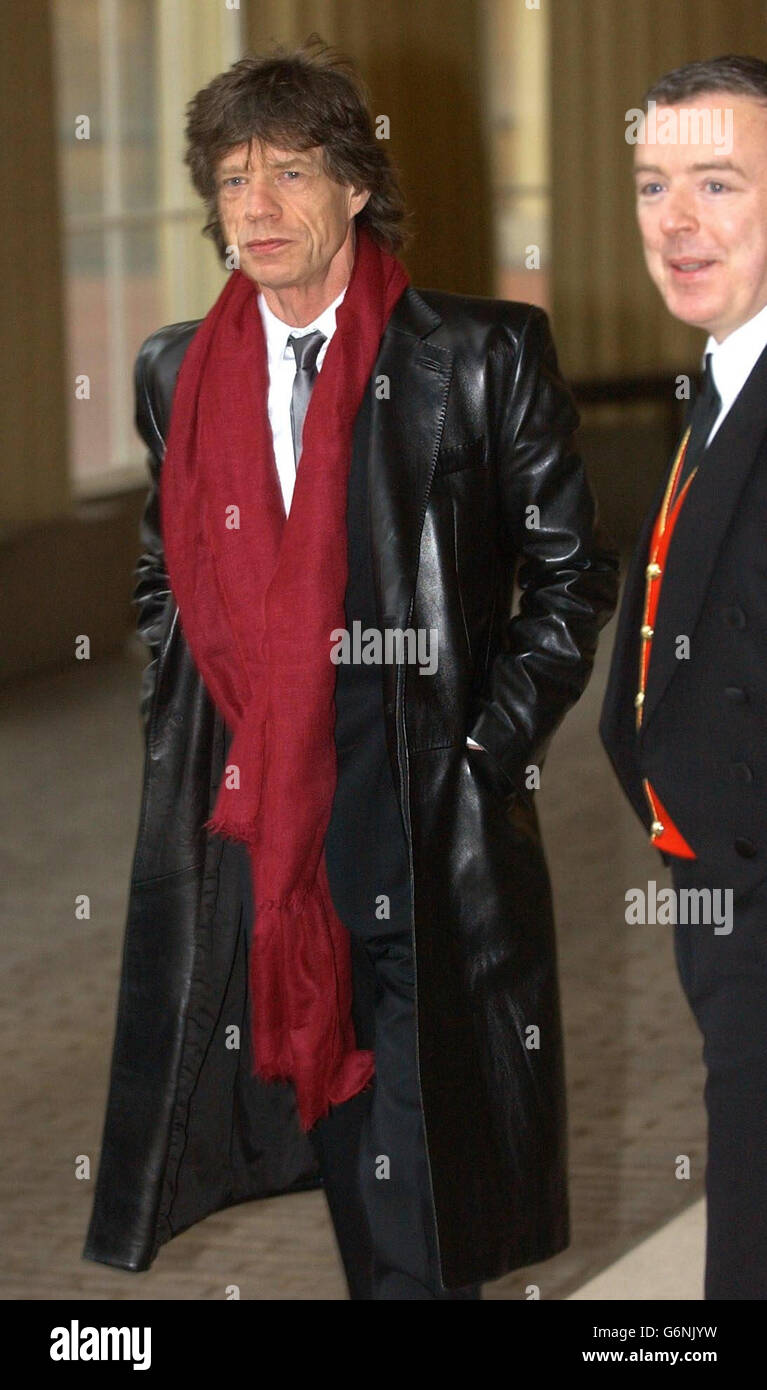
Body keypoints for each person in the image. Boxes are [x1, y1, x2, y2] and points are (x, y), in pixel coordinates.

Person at [83, 36, 618, 1300]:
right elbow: (165, 573)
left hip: (424, 822)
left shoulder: (477, 356)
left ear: (356, 187)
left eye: (291, 173)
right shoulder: (177, 371)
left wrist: (484, 753)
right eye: (230, 180)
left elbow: (569, 574)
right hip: (266, 829)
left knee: (429, 1181)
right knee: (349, 1160)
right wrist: (204, 709)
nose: (257, 209)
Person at [601, 54, 767, 1300]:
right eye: (654, 183)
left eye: (718, 182)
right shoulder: (719, 377)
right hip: (715, 888)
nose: (676, 222)